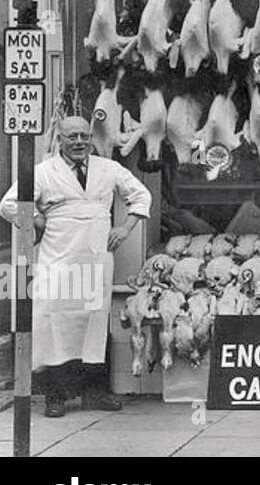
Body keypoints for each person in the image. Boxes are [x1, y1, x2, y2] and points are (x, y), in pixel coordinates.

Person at [0, 115, 152, 417]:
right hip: (58, 260)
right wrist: (37, 218)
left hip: (95, 260)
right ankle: (55, 396)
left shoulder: (109, 168)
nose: (80, 141)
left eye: (84, 135)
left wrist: (124, 228)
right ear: (60, 138)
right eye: (73, 136)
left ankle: (94, 393)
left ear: (91, 138)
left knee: (93, 324)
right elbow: (8, 204)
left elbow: (141, 195)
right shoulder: (44, 172)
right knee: (53, 324)